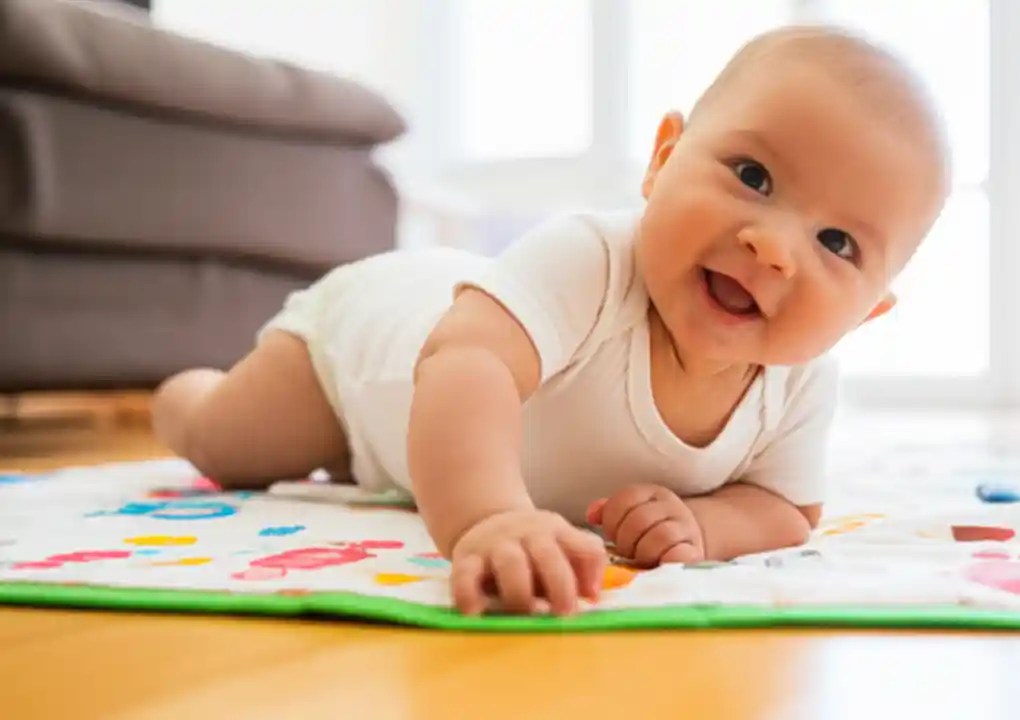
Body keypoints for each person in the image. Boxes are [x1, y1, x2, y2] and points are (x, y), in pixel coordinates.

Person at [152, 25, 951, 616]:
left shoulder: (800, 383)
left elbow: (785, 510)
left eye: (837, 243)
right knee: (233, 447)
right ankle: (185, 395)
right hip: (356, 359)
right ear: (664, 157)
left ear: (868, 312)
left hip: (418, 405)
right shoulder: (593, 262)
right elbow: (470, 367)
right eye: (752, 175)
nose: (773, 247)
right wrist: (492, 519)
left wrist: (704, 525)